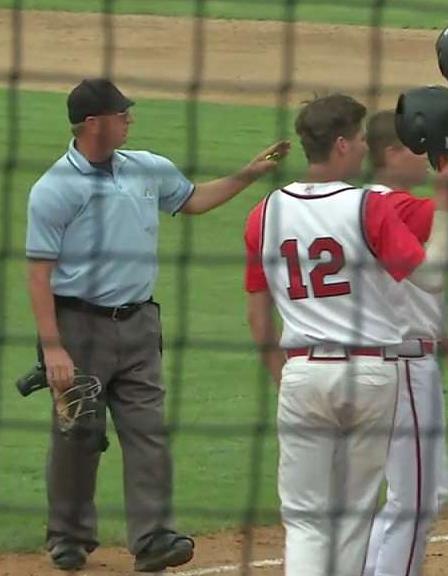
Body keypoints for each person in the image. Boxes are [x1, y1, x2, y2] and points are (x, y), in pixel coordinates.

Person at [24, 77, 289, 572]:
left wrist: (249, 173)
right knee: (77, 432)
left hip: (141, 324)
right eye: (122, 114)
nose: (130, 120)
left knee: (148, 432)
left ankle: (152, 539)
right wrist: (53, 348)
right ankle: (68, 536)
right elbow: (38, 275)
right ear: (92, 124)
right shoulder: (54, 189)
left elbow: (193, 200)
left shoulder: (147, 168)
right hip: (79, 327)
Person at [243, 93, 448, 576]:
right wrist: (441, 210)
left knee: (305, 521)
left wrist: (290, 378)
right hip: (372, 374)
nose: (365, 147)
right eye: (360, 138)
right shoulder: (368, 208)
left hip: (302, 373)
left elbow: (259, 321)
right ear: (340, 145)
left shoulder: (264, 213)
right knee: (356, 516)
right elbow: (433, 276)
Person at [361, 101, 448, 576]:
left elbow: (402, 294)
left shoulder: (362, 205)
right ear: (393, 152)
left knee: (413, 493)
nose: (429, 154)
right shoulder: (392, 206)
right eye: (419, 148)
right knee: (418, 496)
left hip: (382, 359)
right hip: (401, 369)